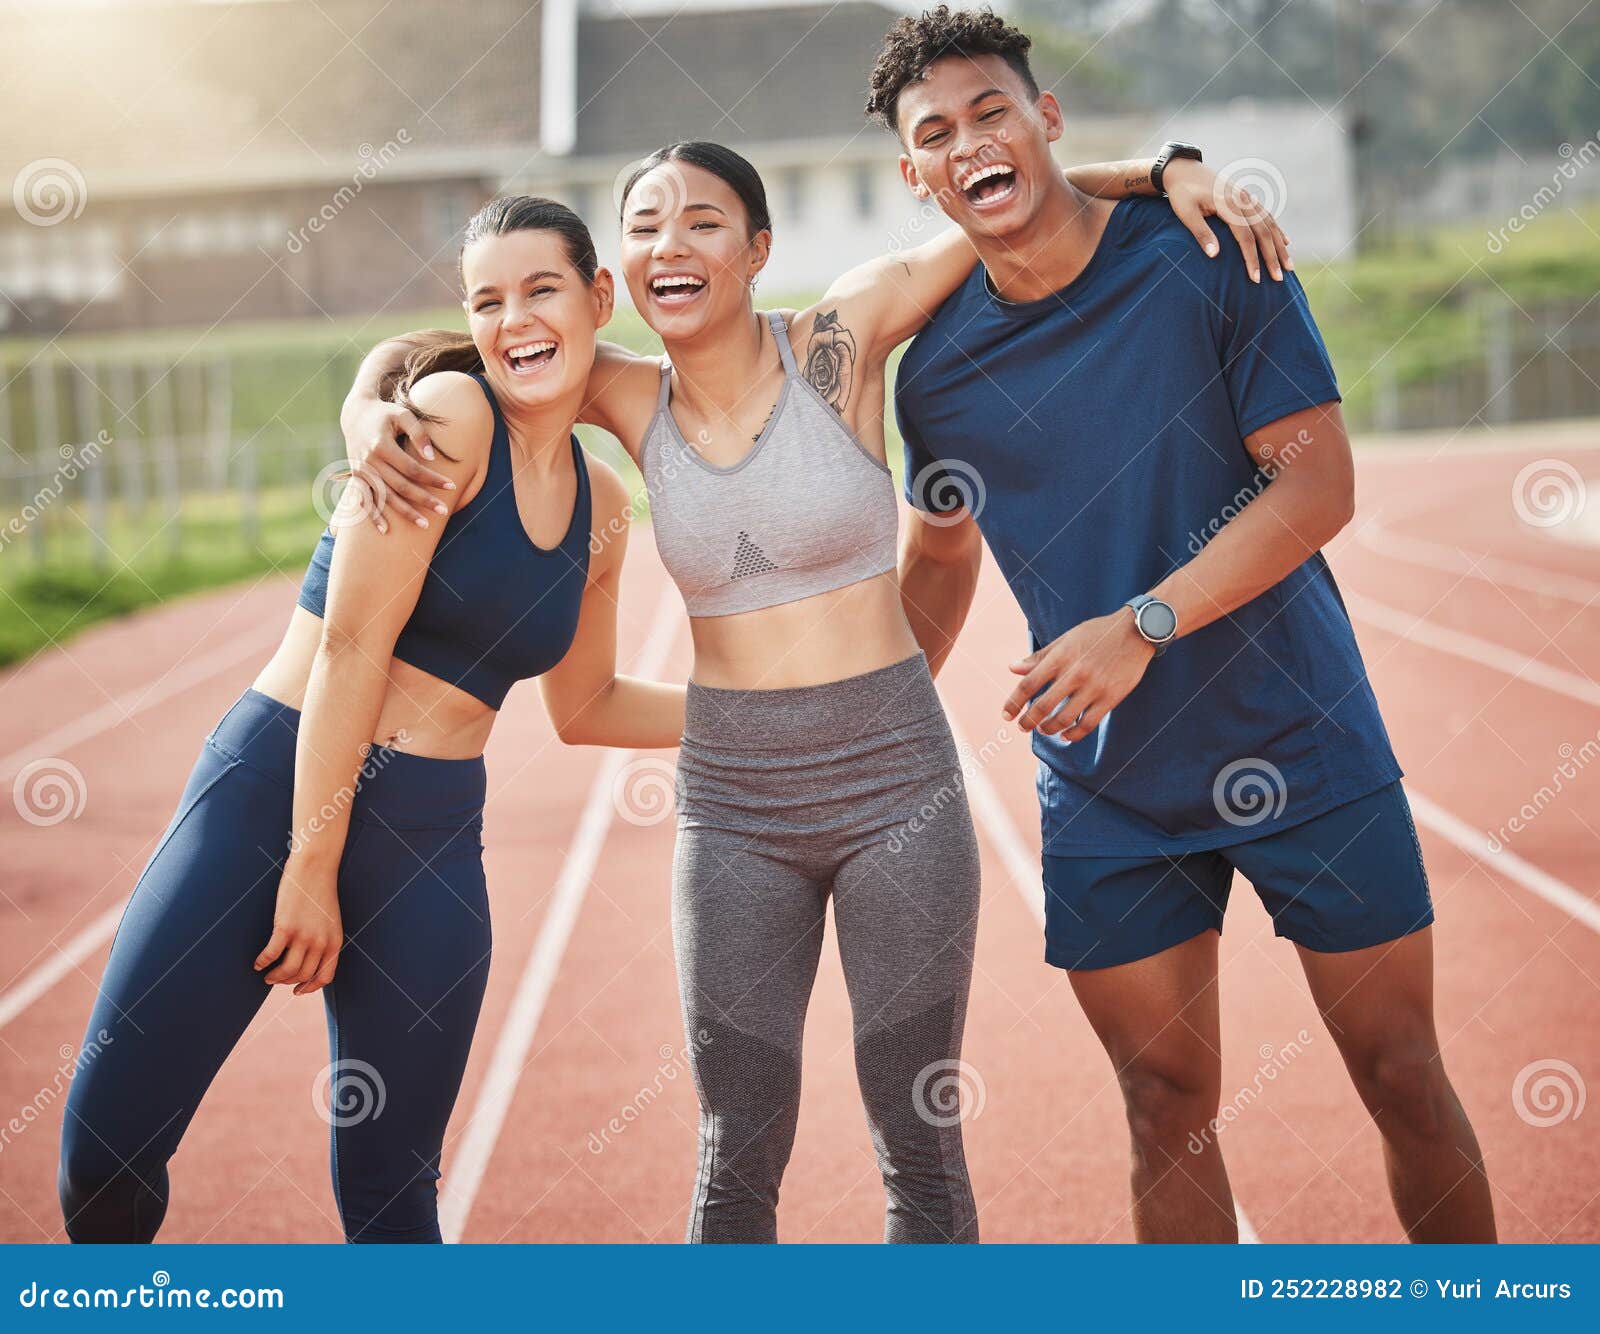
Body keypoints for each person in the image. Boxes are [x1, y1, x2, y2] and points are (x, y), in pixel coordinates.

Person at [341, 143, 1287, 1243]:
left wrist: (1162, 170)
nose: (670, 245)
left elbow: (1006, 204)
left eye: (702, 222)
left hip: (898, 791)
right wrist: (366, 408)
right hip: (734, 808)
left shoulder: (841, 336)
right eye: (645, 227)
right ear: (619, 275)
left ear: (757, 249)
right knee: (735, 1145)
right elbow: (441, 351)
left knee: (918, 1139)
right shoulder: (619, 391)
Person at [876, 7, 1497, 1243]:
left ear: (1047, 119)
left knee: (1399, 1069)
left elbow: (1317, 487)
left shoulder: (1209, 253)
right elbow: (939, 559)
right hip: (1108, 781)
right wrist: (873, 714)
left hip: (1300, 733)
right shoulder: (934, 374)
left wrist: (1141, 623)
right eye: (935, 133)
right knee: (1162, 1104)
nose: (970, 144)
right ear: (913, 174)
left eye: (992, 110)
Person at [57, 197, 684, 1244]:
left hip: (431, 836)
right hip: (274, 795)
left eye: (541, 290)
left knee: (395, 1201)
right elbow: (352, 648)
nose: (515, 320)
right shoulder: (450, 415)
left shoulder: (605, 505)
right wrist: (310, 866)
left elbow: (587, 706)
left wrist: (770, 706)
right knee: (104, 1157)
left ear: (598, 297)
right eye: (487, 300)